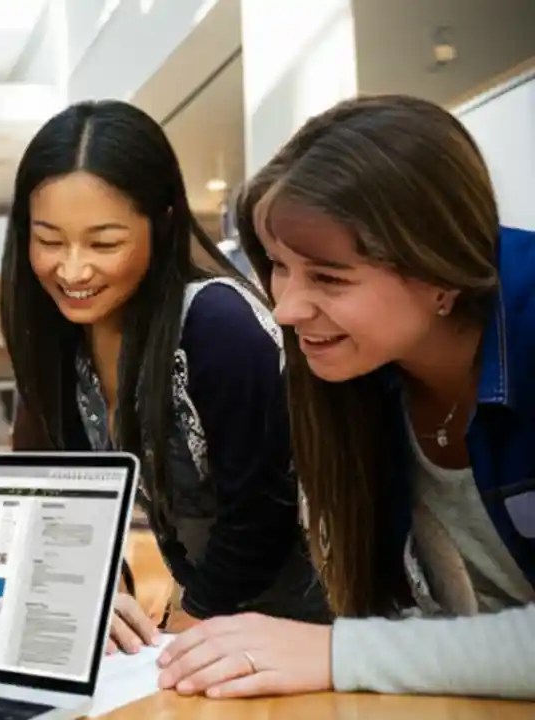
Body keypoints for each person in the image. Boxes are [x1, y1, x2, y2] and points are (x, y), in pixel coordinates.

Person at [157, 94, 535, 700]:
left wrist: (342, 650)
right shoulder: (359, 376)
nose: (285, 307)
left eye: (329, 278)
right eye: (278, 265)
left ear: (440, 270)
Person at [0, 100, 330, 655]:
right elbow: (59, 504)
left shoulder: (216, 322)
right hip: (208, 628)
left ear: (164, 224)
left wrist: (186, 619)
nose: (73, 269)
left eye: (104, 242)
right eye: (50, 240)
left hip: (306, 630)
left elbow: (262, 512)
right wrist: (100, 602)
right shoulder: (56, 338)